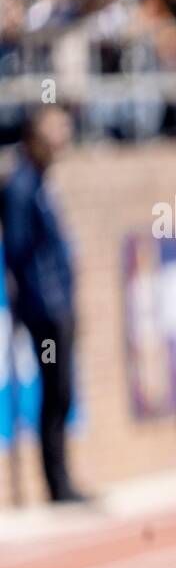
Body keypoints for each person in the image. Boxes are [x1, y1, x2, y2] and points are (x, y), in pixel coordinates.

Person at [0, 105, 89, 503]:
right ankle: (57, 483)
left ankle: (62, 479)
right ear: (36, 135)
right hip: (45, 310)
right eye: (56, 129)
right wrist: (42, 301)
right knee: (55, 389)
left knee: (62, 391)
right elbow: (18, 251)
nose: (64, 137)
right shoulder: (21, 185)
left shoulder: (39, 180)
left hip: (56, 304)